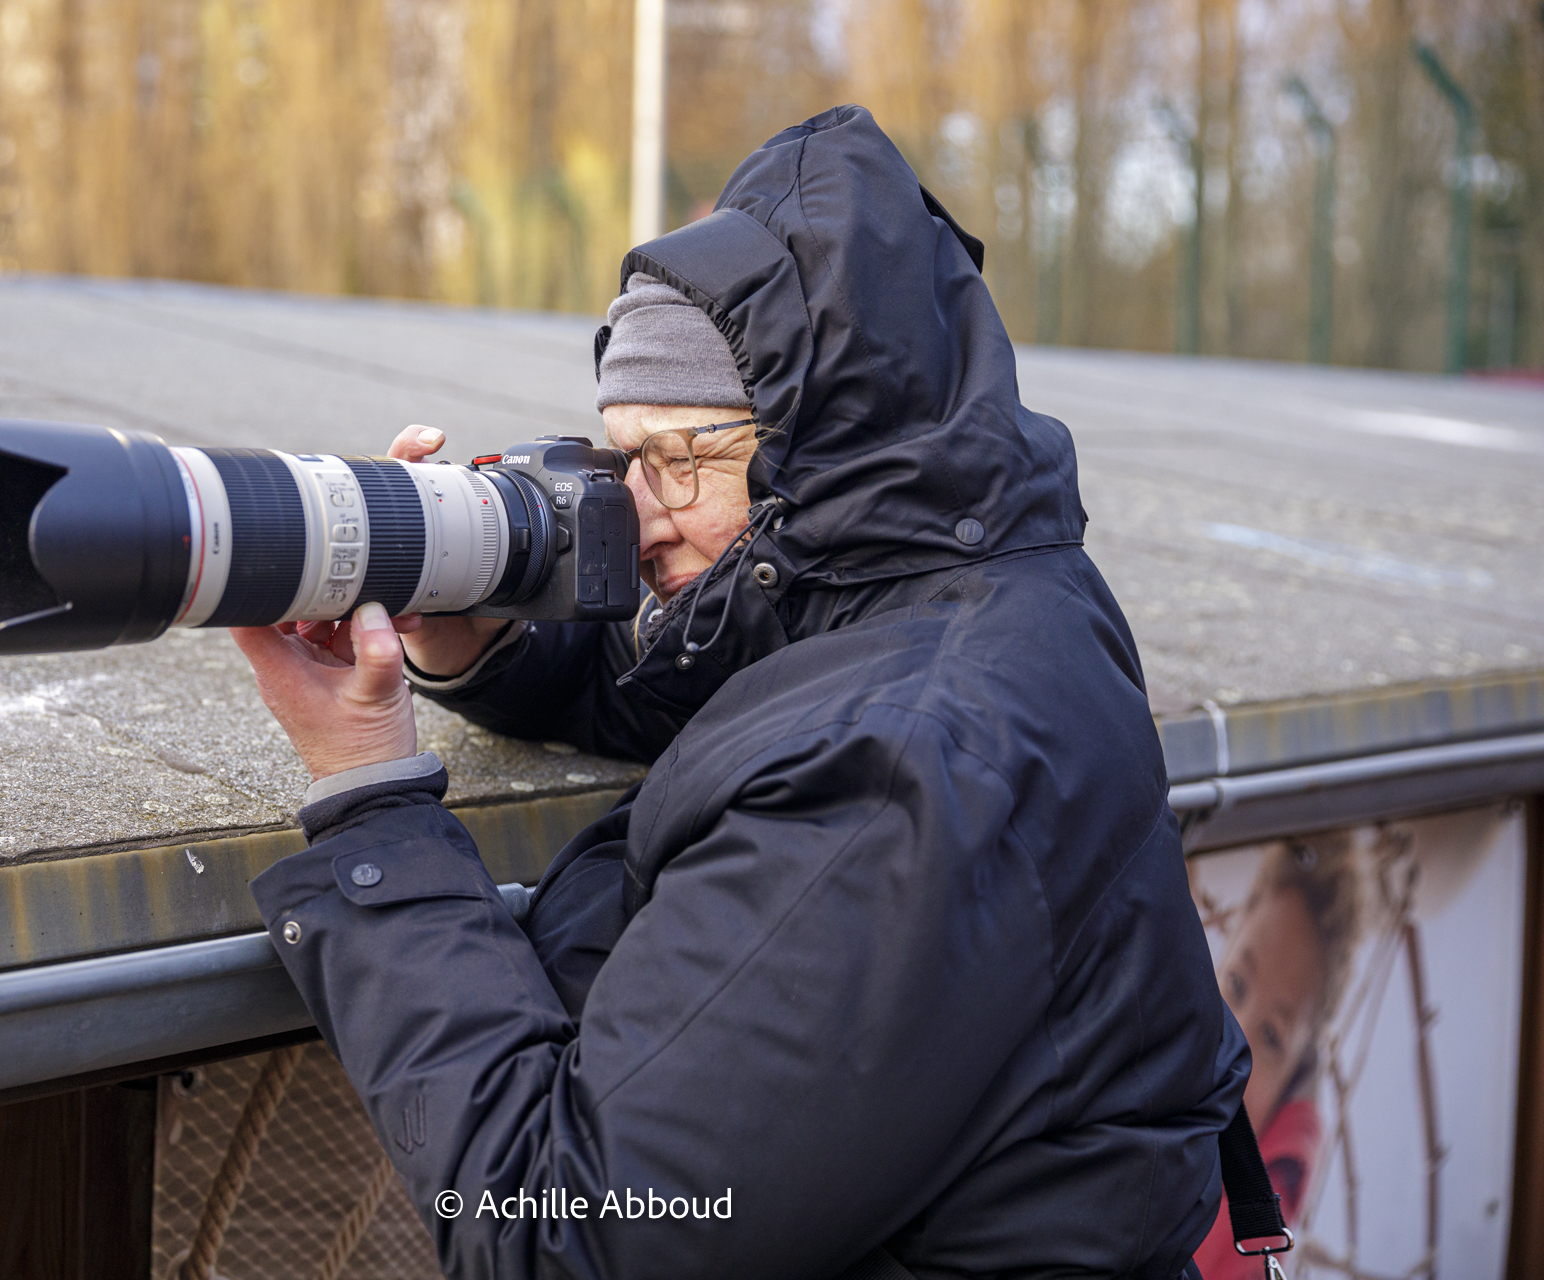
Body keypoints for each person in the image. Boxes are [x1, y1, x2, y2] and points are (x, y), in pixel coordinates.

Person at [233, 104, 1249, 1280]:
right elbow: (699, 688)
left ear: (814, 439)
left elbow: (568, 1236)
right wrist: (475, 636)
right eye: (621, 461)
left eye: (679, 459)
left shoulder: (899, 774)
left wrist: (368, 796)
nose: (639, 512)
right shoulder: (956, 580)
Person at [1193, 836, 1360, 1279]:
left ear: (1294, 1078)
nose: (1234, 1041)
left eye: (1271, 1037)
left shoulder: (1255, 1235)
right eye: (1236, 985)